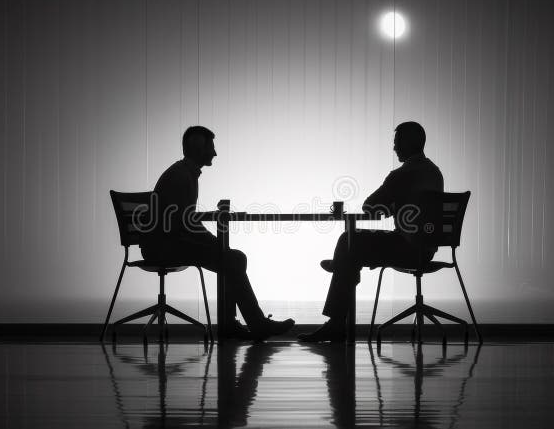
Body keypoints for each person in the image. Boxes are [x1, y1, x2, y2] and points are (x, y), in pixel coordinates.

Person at [141, 125, 294, 340]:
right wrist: (214, 243)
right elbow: (181, 224)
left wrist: (213, 242)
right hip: (165, 248)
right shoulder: (181, 176)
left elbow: (184, 221)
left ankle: (237, 325)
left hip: (166, 244)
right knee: (233, 259)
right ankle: (255, 325)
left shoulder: (184, 173)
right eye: (210, 147)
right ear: (197, 148)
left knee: (232, 258)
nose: (215, 153)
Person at [298, 121, 444, 342]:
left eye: (397, 142)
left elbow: (370, 206)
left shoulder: (402, 174)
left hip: (406, 248)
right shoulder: (435, 172)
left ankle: (337, 317)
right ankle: (343, 266)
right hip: (426, 250)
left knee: (349, 240)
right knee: (350, 250)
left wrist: (392, 206)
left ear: (408, 142)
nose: (394, 148)